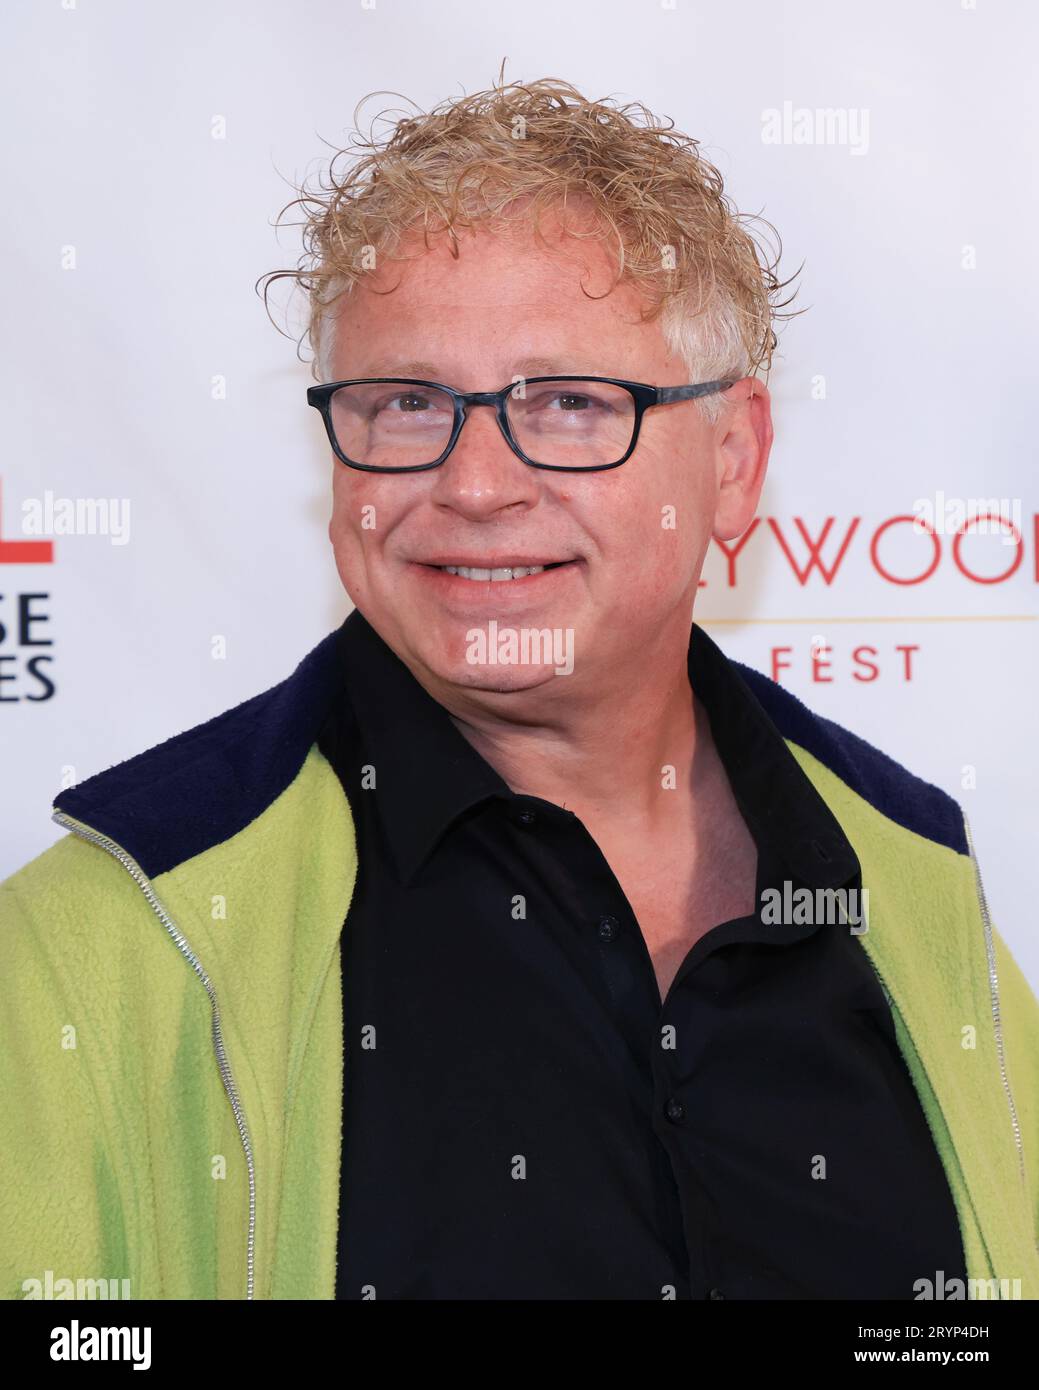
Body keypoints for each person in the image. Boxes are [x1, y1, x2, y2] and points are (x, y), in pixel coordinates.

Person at [2, 76, 1036, 1302]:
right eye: (405, 404)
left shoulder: (910, 873)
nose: (476, 483)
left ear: (735, 460)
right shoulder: (115, 933)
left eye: (568, 403)